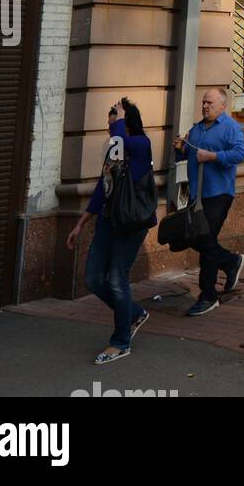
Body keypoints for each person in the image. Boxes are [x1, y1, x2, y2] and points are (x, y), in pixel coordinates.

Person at [67, 97, 155, 365]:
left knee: (117, 280)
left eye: (114, 122)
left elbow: (120, 140)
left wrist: (120, 118)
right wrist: (81, 224)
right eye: (109, 124)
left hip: (130, 223)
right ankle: (134, 312)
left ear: (127, 123)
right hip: (107, 221)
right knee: (94, 279)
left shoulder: (141, 144)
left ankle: (121, 342)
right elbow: (101, 189)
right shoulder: (115, 148)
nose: (110, 129)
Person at [173, 86, 244, 316]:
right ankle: (230, 261)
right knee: (197, 238)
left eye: (210, 103)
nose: (205, 106)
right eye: (204, 102)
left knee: (206, 240)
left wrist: (213, 156)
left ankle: (208, 295)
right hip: (198, 195)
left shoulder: (231, 127)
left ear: (223, 106)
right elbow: (187, 154)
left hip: (219, 193)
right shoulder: (196, 130)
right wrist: (180, 149)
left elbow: (240, 154)